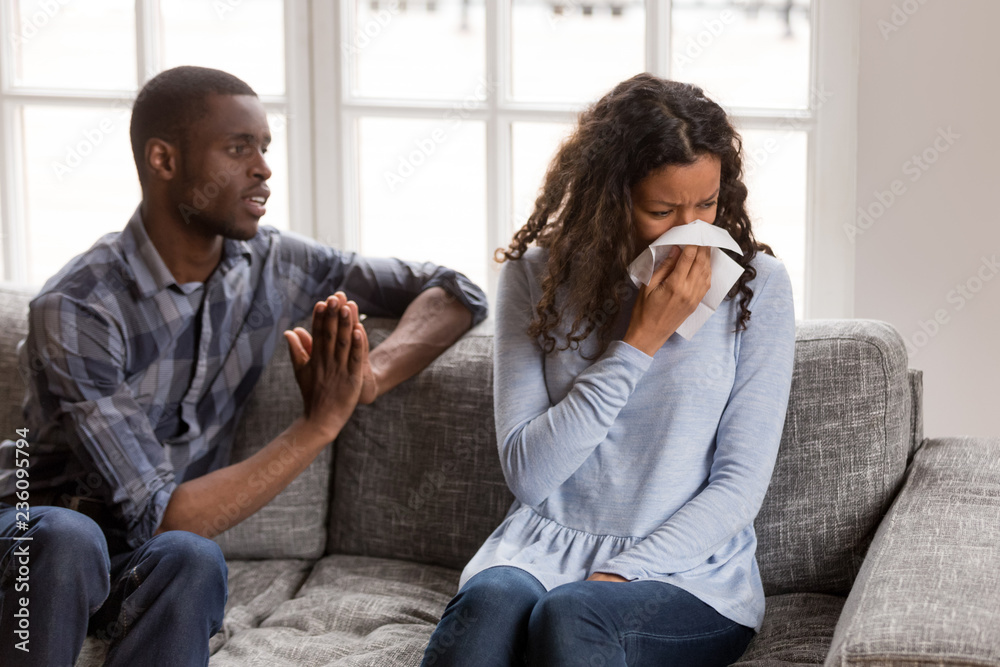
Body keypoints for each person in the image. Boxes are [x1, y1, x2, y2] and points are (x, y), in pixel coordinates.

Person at [0, 65, 487, 667]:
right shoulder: (77, 307)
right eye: (238, 148)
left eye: (264, 147)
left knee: (192, 558)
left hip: (132, 557)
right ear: (163, 160)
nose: (263, 168)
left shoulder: (271, 263)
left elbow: (456, 290)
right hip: (31, 545)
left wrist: (371, 378)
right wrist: (317, 425)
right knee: (72, 541)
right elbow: (161, 513)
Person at [421, 73, 795, 667]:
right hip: (538, 548)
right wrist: (639, 341)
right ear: (608, 198)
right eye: (661, 210)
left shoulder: (758, 289)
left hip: (685, 571)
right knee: (492, 600)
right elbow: (530, 473)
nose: (692, 231)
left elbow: (738, 486)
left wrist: (624, 572)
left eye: (707, 204)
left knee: (575, 613)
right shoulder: (532, 278)